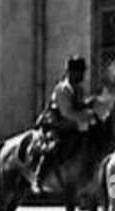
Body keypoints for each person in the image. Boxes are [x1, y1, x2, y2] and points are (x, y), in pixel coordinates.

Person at [29, 56, 98, 191]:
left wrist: (89, 104)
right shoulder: (63, 89)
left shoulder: (78, 89)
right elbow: (67, 112)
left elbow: (79, 105)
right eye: (80, 71)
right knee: (54, 147)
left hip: (74, 126)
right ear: (72, 72)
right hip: (57, 125)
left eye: (83, 71)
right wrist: (86, 116)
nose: (83, 75)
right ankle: (39, 177)